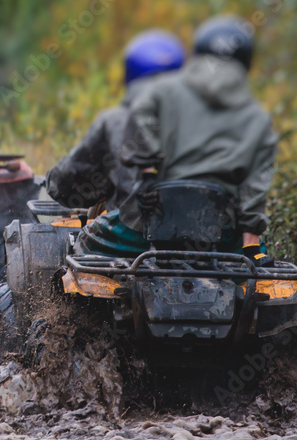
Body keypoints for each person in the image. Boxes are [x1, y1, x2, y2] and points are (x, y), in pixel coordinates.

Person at [79, 15, 278, 265]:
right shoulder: (257, 118)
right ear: (246, 61)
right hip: (219, 239)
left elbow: (138, 124)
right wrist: (251, 251)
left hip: (144, 231)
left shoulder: (163, 91)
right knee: (244, 251)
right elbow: (254, 191)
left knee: (87, 241)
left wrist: (149, 176)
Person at [45, 30, 185, 210]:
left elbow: (70, 187)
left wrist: (51, 181)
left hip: (130, 234)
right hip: (202, 228)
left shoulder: (115, 120)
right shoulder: (202, 118)